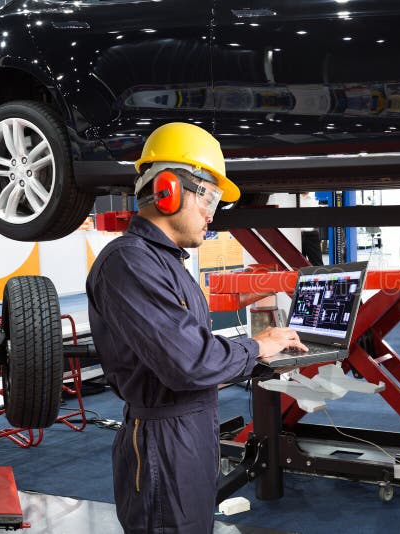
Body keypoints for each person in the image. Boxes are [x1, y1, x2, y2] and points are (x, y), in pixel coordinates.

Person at [86, 122, 307, 533]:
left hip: (189, 431)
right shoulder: (130, 262)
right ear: (168, 189)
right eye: (208, 196)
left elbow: (190, 351)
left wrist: (265, 358)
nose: (212, 212)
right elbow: (188, 363)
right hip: (162, 443)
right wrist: (255, 347)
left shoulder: (166, 263)